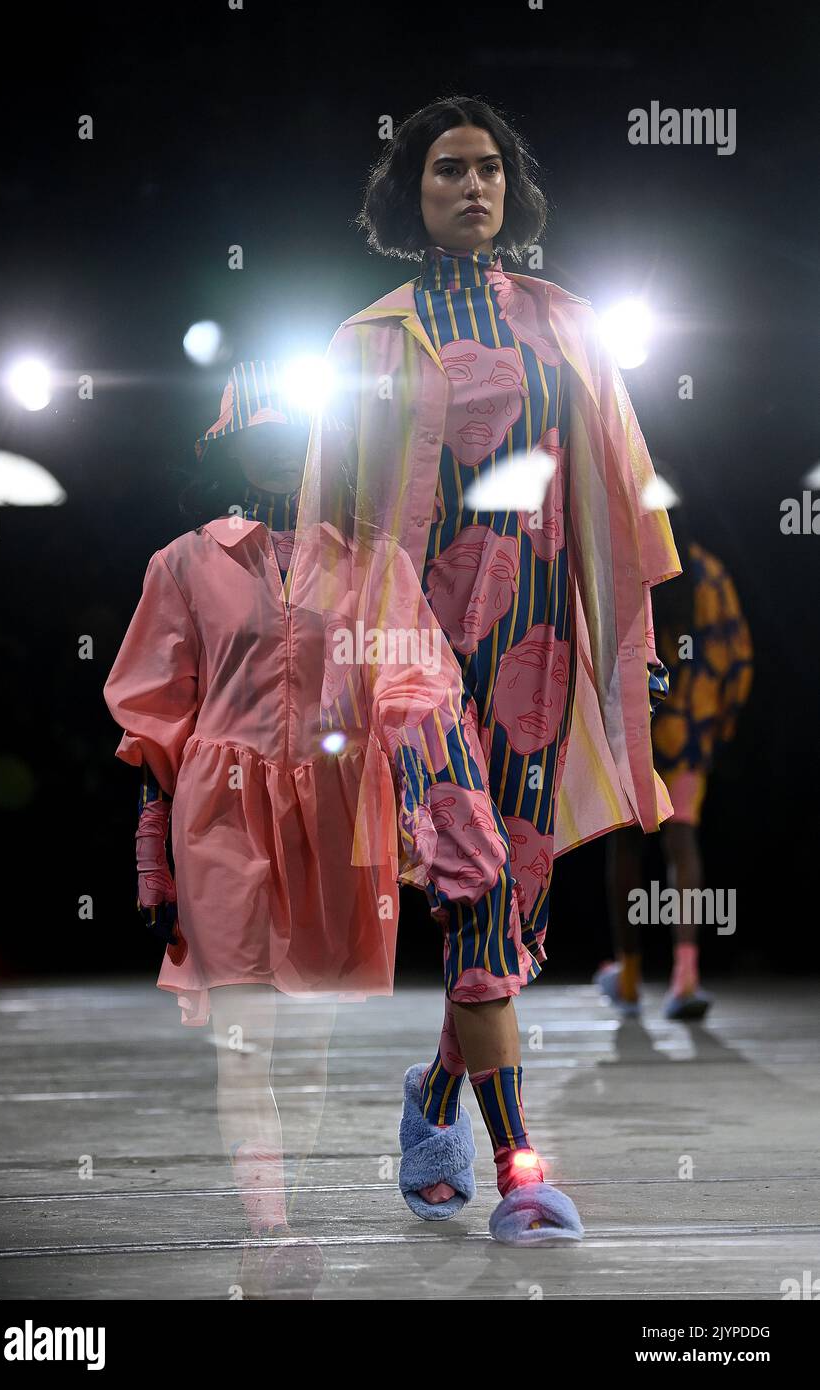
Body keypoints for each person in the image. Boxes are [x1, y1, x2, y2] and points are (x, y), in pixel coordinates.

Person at [293, 94, 681, 1245]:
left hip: (541, 642)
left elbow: (621, 491)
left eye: (491, 170)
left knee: (503, 903)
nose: (474, 187)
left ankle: (431, 1102)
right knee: (468, 884)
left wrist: (627, 646)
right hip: (419, 648)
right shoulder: (369, 338)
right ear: (407, 196)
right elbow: (335, 524)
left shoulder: (563, 320)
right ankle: (519, 1170)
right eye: (447, 170)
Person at [103, 357, 507, 1272]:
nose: (284, 452)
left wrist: (426, 820)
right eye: (264, 435)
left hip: (338, 815)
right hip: (223, 815)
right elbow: (154, 718)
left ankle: (278, 1217)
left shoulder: (377, 566)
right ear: (235, 445)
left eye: (299, 434)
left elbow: (418, 693)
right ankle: (270, 1229)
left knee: (311, 1046)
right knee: (247, 1039)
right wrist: (150, 852)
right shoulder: (184, 563)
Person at [596, 461, 754, 1020]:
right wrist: (719, 724)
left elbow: (605, 652)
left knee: (626, 846)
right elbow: (737, 658)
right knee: (682, 843)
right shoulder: (709, 574)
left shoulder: (634, 575)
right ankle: (685, 976)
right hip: (691, 735)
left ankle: (631, 974)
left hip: (639, 730)